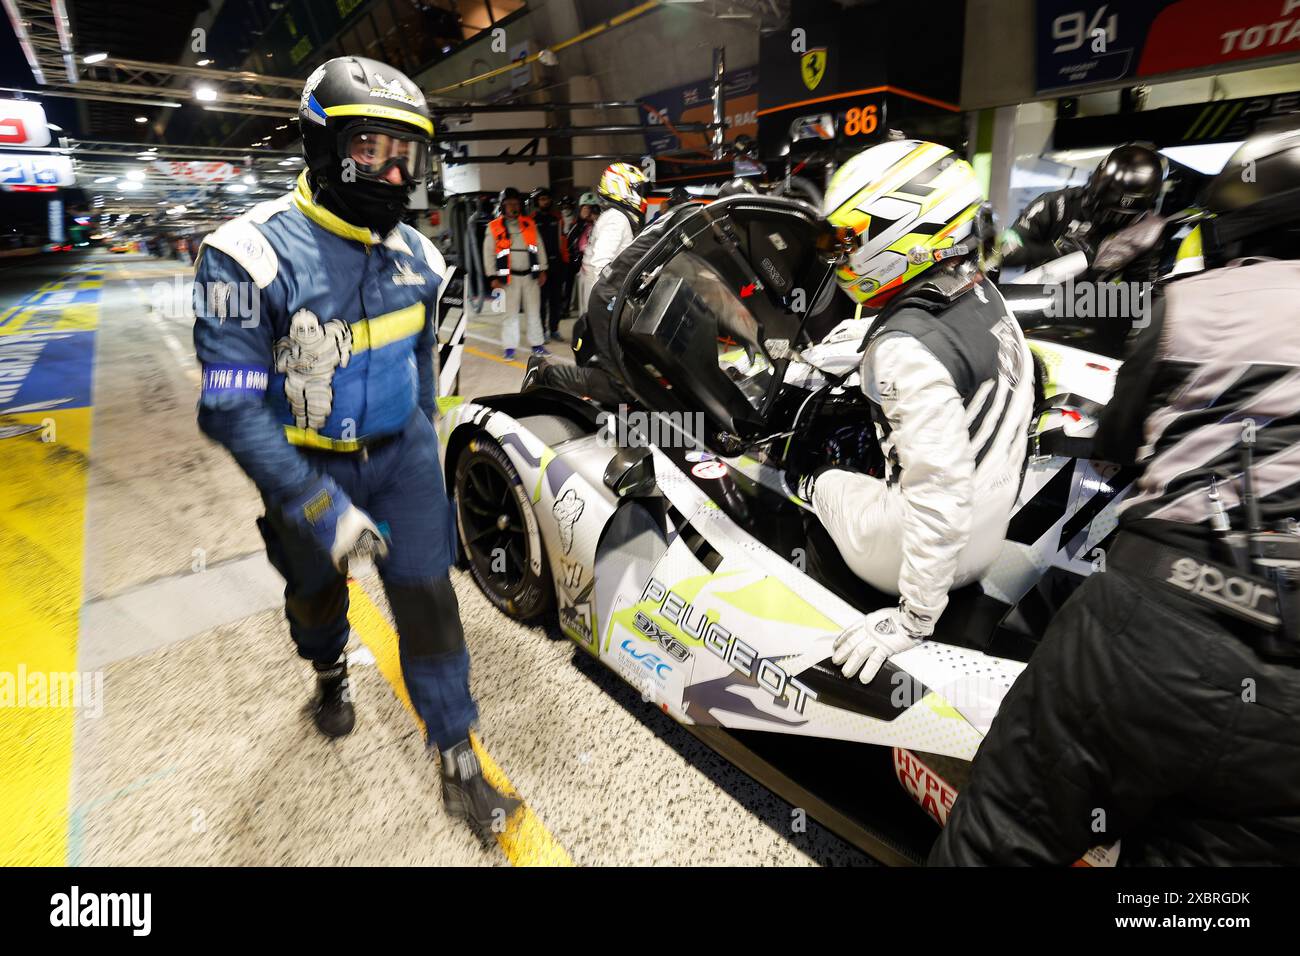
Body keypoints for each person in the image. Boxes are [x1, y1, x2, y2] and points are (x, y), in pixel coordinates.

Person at [930, 122, 1300, 867]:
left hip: (1151, 620)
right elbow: (1024, 276)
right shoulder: (1067, 218)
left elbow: (1118, 446)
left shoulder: (1193, 296)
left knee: (1001, 840)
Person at [192, 55, 519, 840]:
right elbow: (230, 408)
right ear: (324, 144)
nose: (395, 169)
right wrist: (315, 502)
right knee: (313, 590)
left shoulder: (424, 257)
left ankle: (457, 756)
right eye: (373, 148)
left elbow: (424, 369)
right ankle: (328, 666)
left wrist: (428, 448)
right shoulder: (240, 257)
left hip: (399, 454)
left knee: (427, 599)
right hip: (302, 463)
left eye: (408, 151)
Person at [792, 140, 1034, 684]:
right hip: (991, 536)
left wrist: (913, 619)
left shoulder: (904, 347)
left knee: (815, 478)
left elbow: (939, 494)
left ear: (900, 233)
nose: (839, 254)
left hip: (910, 560)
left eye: (849, 238)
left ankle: (798, 493)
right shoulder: (984, 293)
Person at [998, 143, 1165, 280]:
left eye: (1123, 216)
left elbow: (1140, 295)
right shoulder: (1056, 204)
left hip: (1089, 311)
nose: (1111, 218)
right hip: (1035, 300)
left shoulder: (1146, 234)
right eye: (1105, 209)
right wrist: (1054, 251)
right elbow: (1002, 251)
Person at [483, 186, 548, 360]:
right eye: (509, 203)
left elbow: (539, 247)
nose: (513, 207)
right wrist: (492, 276)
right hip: (507, 279)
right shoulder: (493, 227)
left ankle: (537, 344)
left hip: (531, 277)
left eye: (516, 203)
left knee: (534, 311)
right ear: (503, 206)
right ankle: (510, 348)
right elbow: (488, 253)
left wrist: (543, 269)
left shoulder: (529, 224)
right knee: (509, 314)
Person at [577, 162, 650, 317]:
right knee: (600, 336)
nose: (642, 194)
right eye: (637, 188)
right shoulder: (617, 219)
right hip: (600, 289)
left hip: (595, 284)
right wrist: (610, 297)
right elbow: (601, 263)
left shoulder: (615, 215)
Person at [529, 186, 570, 343]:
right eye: (542, 199)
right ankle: (542, 331)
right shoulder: (531, 220)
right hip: (539, 267)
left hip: (556, 265)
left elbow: (563, 242)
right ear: (536, 201)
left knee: (556, 300)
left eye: (547, 199)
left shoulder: (556, 218)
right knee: (541, 301)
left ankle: (554, 329)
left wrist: (564, 263)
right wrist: (535, 268)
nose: (545, 202)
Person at [568, 191, 601, 313]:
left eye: (592, 208)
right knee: (584, 305)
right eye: (586, 208)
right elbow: (570, 241)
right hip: (582, 267)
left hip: (597, 267)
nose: (589, 211)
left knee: (594, 305)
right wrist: (581, 220)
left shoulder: (601, 224)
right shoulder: (578, 226)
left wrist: (596, 218)